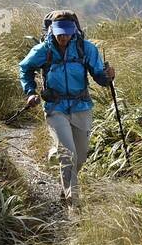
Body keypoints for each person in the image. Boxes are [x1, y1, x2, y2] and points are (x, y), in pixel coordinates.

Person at [18, 16, 115, 204]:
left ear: (74, 31)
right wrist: (30, 92)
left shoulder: (86, 48)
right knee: (69, 156)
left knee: (80, 158)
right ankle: (73, 205)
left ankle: (65, 187)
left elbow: (100, 78)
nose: (63, 38)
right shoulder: (43, 50)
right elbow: (25, 68)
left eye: (67, 34)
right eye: (60, 34)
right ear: (52, 31)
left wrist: (108, 77)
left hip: (82, 106)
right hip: (55, 108)